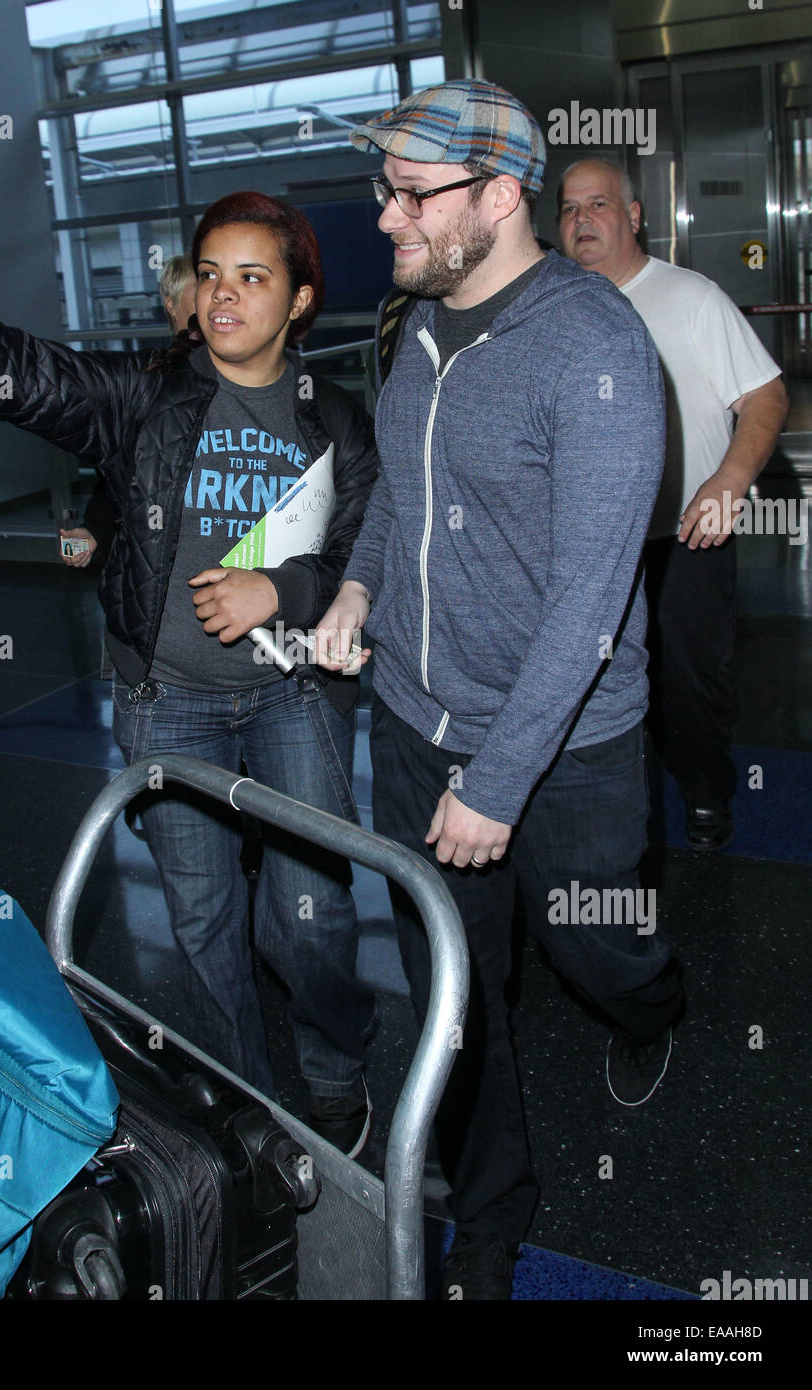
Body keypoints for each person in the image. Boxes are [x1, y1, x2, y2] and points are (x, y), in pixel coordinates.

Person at [0, 191, 379, 1154]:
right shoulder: (145, 399)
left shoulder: (336, 418)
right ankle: (256, 1108)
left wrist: (278, 589)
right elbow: (17, 373)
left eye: (253, 277)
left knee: (313, 917)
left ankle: (333, 1070)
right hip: (170, 708)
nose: (224, 296)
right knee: (203, 927)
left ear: (299, 301)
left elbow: (368, 549)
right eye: (210, 275)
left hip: (295, 701)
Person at [314, 78, 687, 1297]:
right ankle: (487, 1212)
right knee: (450, 991)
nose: (387, 218)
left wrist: (500, 781)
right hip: (420, 725)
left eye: (413, 195)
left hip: (565, 750)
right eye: (387, 190)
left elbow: (589, 603)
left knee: (597, 954)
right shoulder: (416, 326)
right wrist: (361, 592)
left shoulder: (594, 347)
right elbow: (397, 501)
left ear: (499, 196)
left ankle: (653, 1006)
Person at [557, 159, 789, 850]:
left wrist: (728, 479)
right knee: (587, 683)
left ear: (632, 216)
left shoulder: (691, 298)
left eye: (597, 205)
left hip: (684, 536)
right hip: (588, 544)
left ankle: (703, 794)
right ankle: (604, 810)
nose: (580, 221)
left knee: (689, 680)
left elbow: (764, 395)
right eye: (568, 209)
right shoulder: (550, 309)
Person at [61, 253, 198, 569]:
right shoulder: (146, 382)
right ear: (171, 304)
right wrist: (92, 532)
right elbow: (120, 474)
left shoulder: (239, 377)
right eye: (199, 292)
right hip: (156, 565)